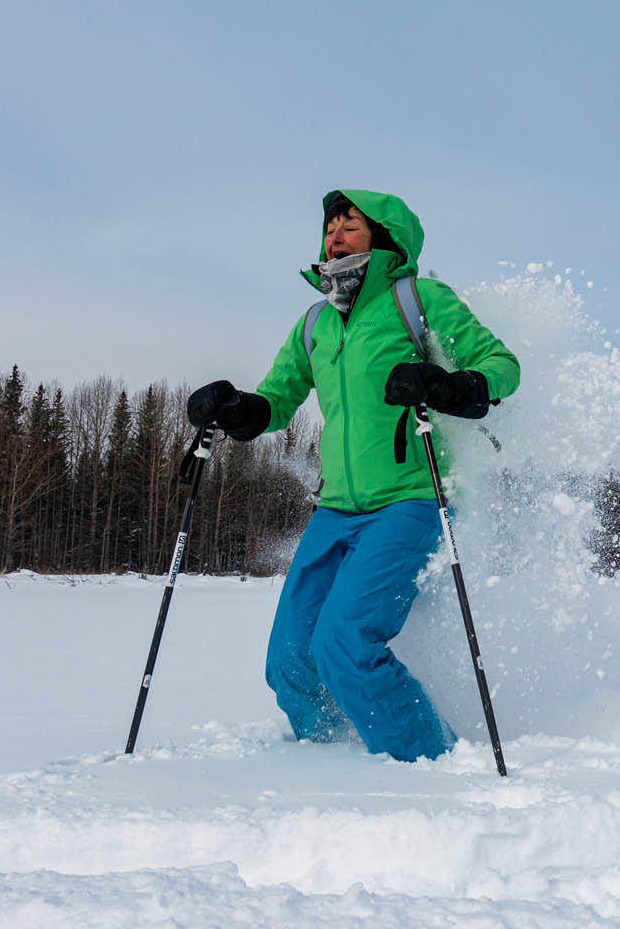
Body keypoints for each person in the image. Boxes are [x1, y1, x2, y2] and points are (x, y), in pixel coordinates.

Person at [187, 190, 519, 762]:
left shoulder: (419, 300)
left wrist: (443, 384)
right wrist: (238, 409)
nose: (334, 235)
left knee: (346, 643)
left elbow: (501, 367)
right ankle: (330, 764)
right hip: (335, 508)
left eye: (350, 224)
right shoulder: (316, 321)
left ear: (383, 237)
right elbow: (277, 399)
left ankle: (431, 763)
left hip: (410, 500)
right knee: (290, 657)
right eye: (329, 226)